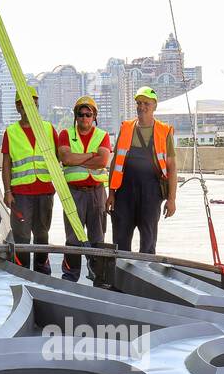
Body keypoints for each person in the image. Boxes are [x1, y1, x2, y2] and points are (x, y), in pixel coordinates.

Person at [107, 86, 176, 254]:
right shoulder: (126, 128)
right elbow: (115, 163)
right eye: (139, 103)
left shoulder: (164, 131)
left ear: (154, 106)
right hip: (124, 193)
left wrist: (172, 199)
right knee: (120, 242)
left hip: (151, 193)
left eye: (146, 103)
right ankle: (122, 276)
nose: (141, 107)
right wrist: (111, 194)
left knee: (148, 242)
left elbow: (172, 168)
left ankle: (145, 275)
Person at [2, 85, 59, 274]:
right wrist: (7, 191)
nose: (31, 109)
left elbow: (60, 157)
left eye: (35, 105)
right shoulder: (11, 132)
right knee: (22, 235)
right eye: (27, 105)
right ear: (18, 107)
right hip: (21, 194)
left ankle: (42, 268)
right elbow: (6, 164)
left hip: (44, 191)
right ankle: (22, 269)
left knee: (42, 234)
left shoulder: (49, 129)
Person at [57, 95, 111, 282]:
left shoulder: (102, 135)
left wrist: (78, 159)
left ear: (94, 116)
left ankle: (99, 277)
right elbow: (66, 159)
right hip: (73, 193)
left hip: (97, 193)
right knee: (72, 238)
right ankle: (70, 277)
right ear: (75, 116)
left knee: (98, 238)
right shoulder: (65, 134)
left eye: (88, 114)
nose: (84, 118)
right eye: (80, 114)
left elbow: (103, 161)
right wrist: (90, 155)